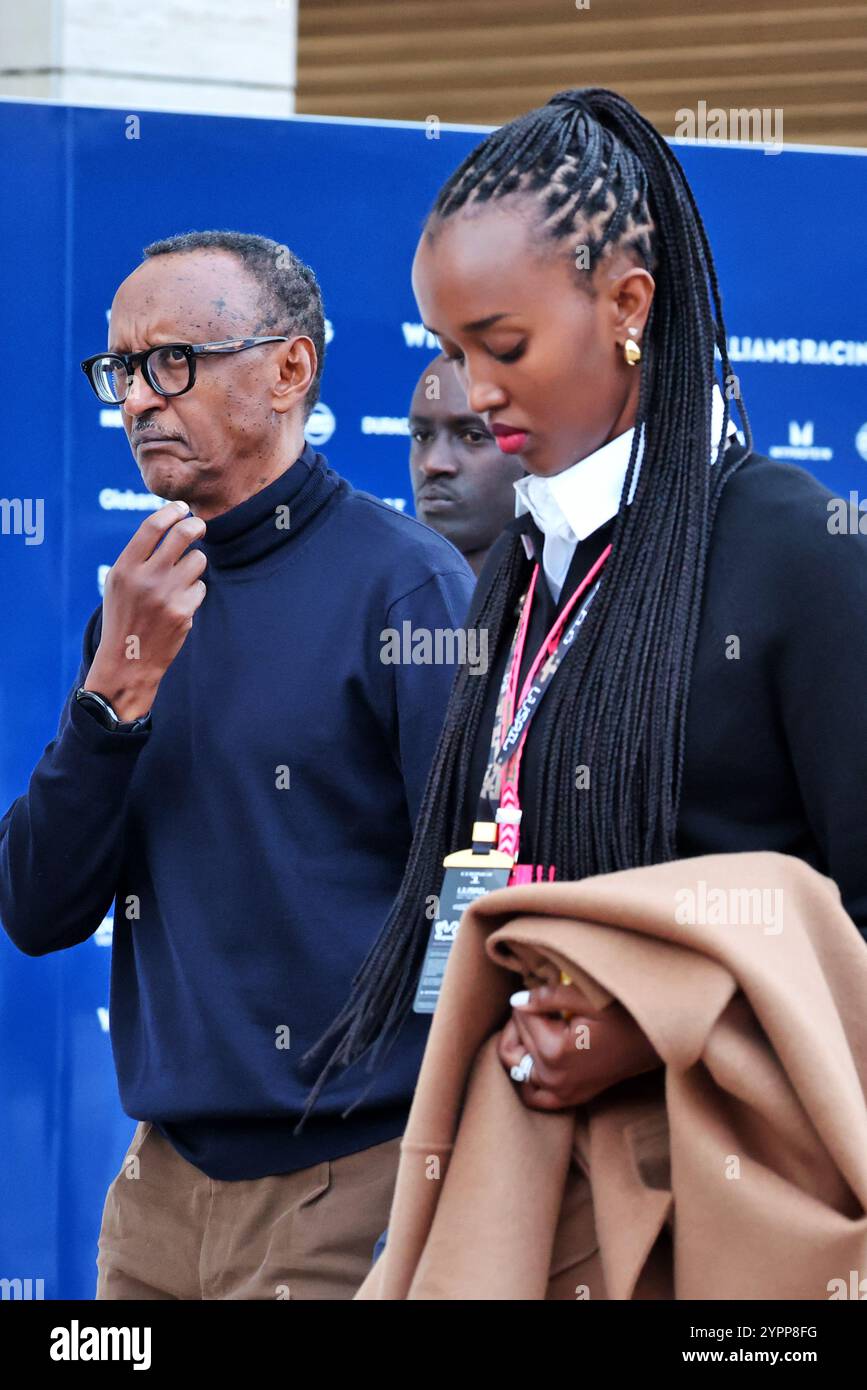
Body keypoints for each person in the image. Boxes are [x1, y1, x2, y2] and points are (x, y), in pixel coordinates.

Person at [308, 88, 867, 1133]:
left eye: (503, 344)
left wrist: (654, 1027)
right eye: (452, 348)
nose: (474, 392)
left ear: (628, 306)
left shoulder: (800, 552)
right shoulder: (524, 565)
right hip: (527, 1187)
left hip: (722, 1206)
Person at [0, 230, 475, 1299]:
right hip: (158, 1196)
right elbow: (36, 907)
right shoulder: (140, 602)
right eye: (122, 369)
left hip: (347, 1187)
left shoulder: (407, 589)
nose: (137, 401)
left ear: (289, 368)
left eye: (173, 362)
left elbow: (475, 900)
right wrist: (111, 698)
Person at [409, 353, 524, 575]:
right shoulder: (375, 592)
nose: (432, 463)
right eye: (422, 436)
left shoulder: (571, 592)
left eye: (473, 436)